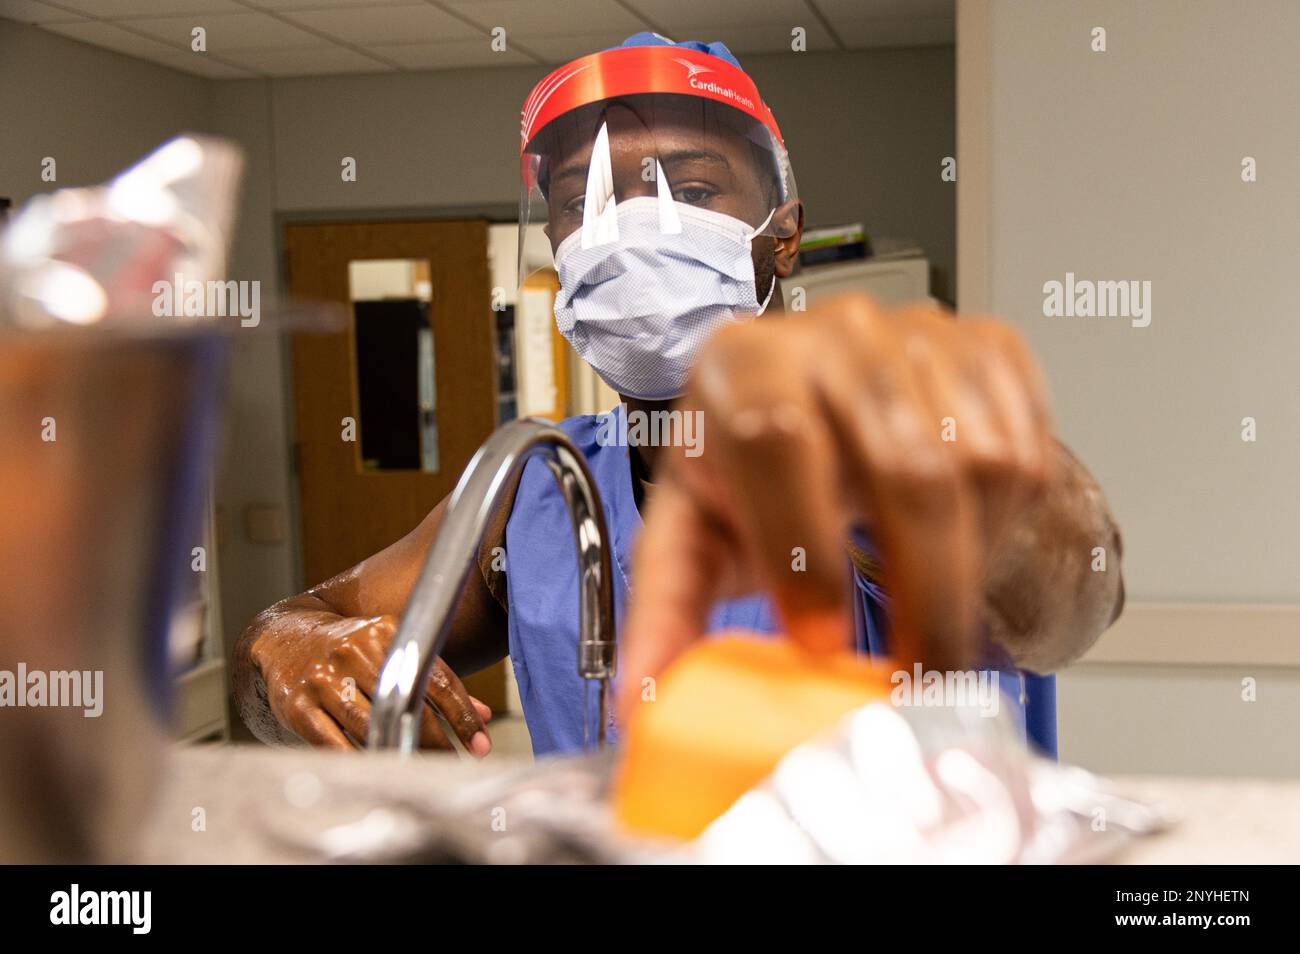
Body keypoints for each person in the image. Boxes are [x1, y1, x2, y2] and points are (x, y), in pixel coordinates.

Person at [234, 33, 1124, 758]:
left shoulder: (878, 453)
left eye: (691, 190)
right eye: (583, 202)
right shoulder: (540, 490)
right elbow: (303, 626)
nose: (627, 235)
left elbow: (1068, 599)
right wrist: (285, 648)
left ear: (784, 235)